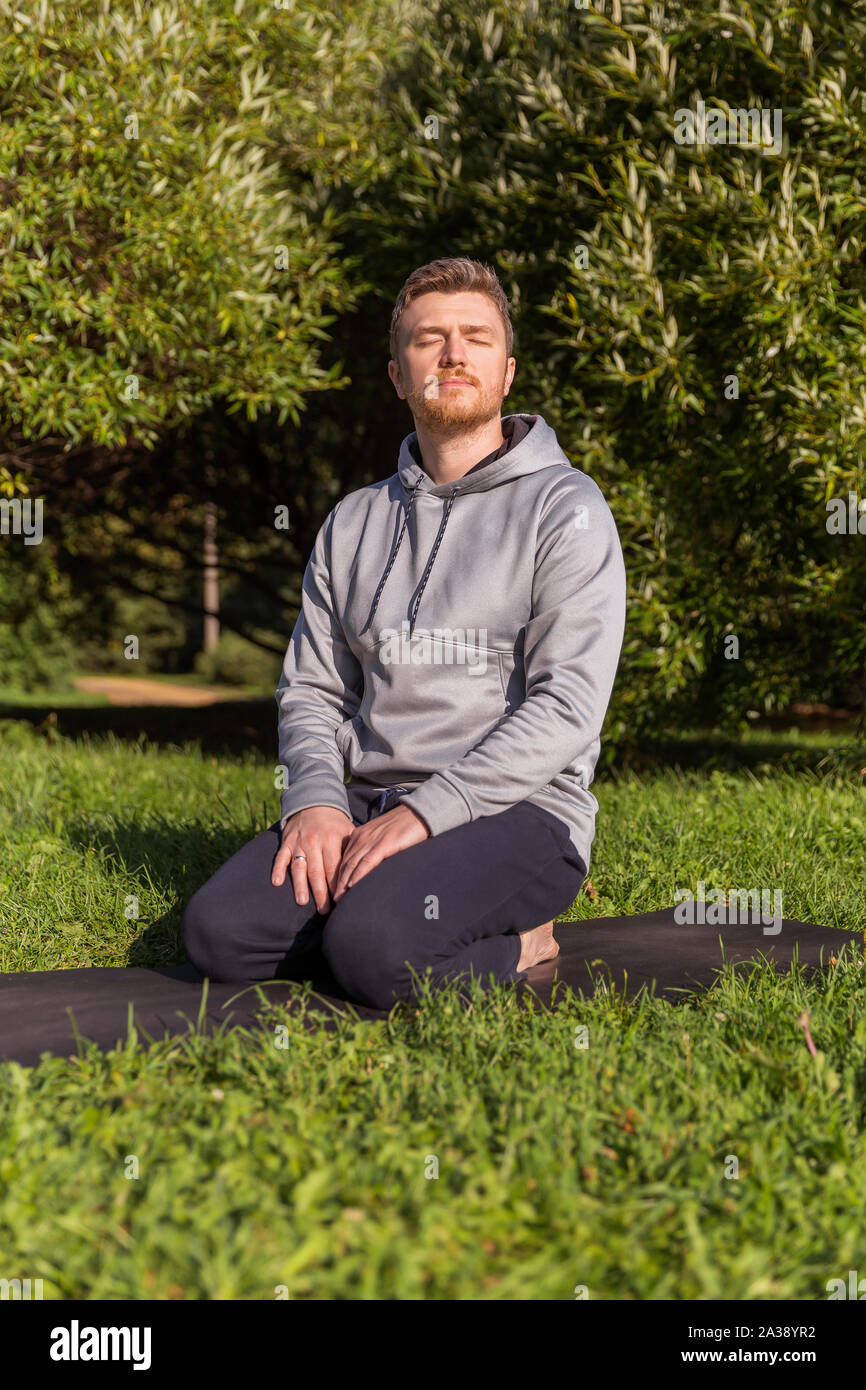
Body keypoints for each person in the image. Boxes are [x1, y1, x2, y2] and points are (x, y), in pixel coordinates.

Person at [181, 256, 626, 1010]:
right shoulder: (354, 521)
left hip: (517, 811)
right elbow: (313, 690)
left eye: (475, 338)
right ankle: (372, 903)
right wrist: (316, 803)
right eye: (431, 339)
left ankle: (526, 941)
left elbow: (567, 707)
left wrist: (429, 812)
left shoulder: (566, 509)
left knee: (376, 953)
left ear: (507, 370)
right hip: (366, 800)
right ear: (396, 374)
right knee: (219, 936)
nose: (454, 354)